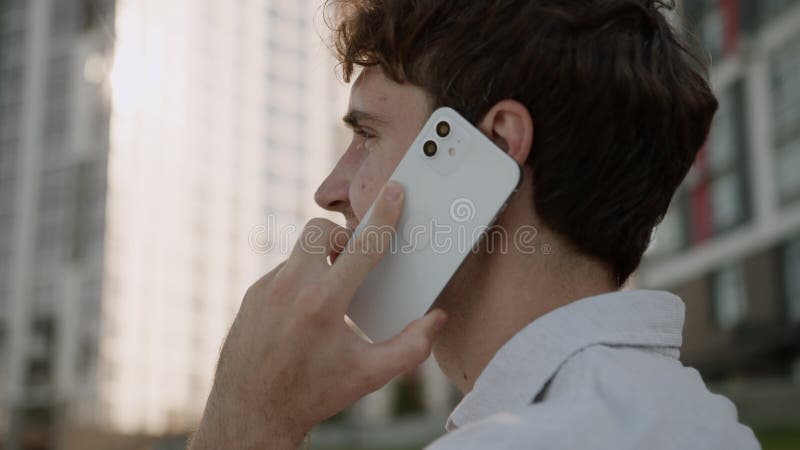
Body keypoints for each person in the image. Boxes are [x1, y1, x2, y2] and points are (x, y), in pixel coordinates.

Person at [188, 1, 761, 449]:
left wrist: (250, 419)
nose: (329, 191)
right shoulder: (712, 426)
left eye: (366, 135)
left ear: (496, 145)